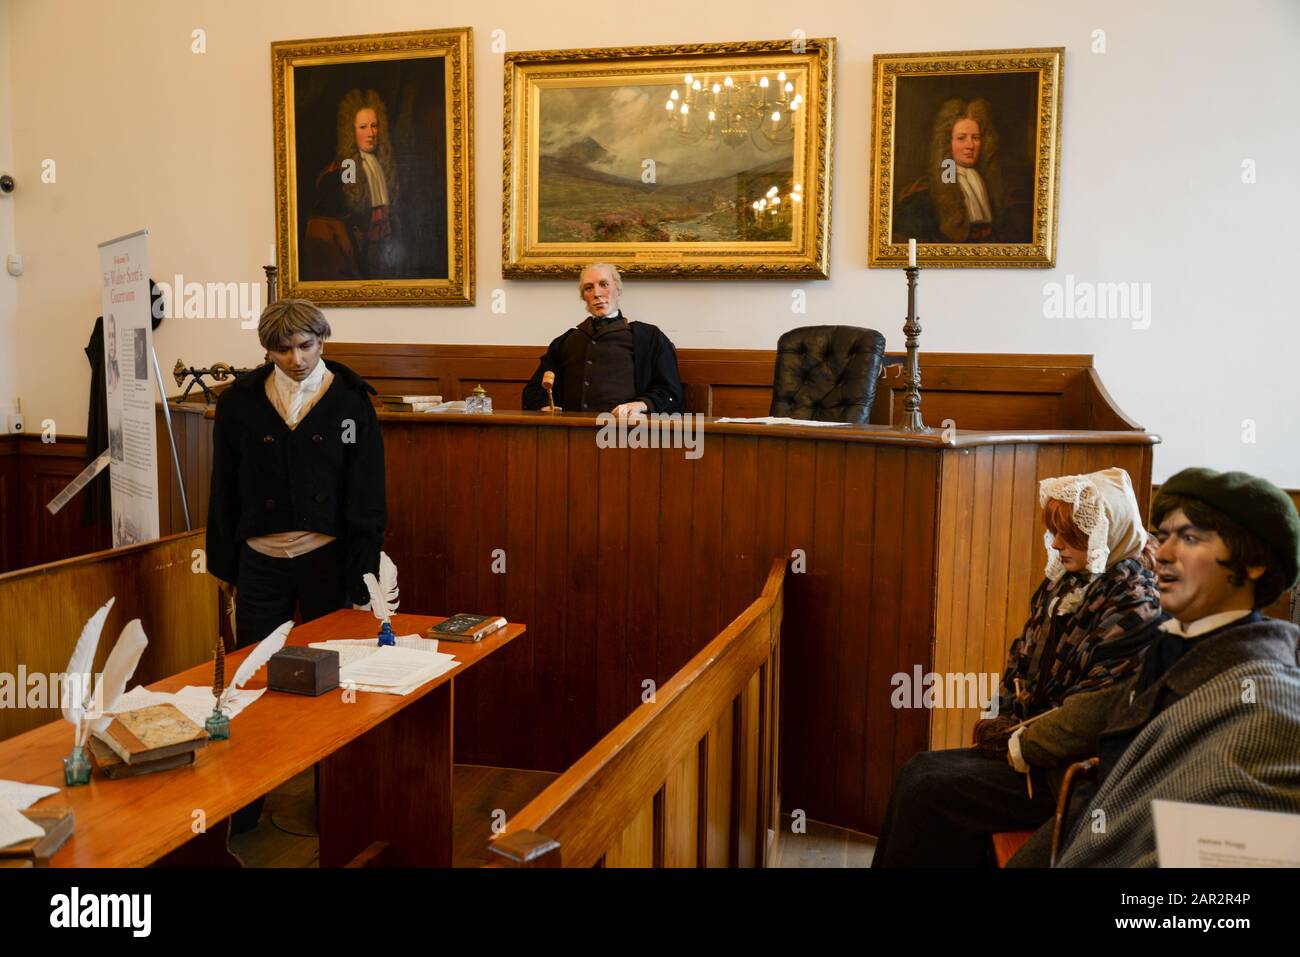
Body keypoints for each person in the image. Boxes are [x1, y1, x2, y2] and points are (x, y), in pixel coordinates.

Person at [872, 467, 1163, 867]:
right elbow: (1020, 661)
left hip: (1067, 774)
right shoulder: (1066, 581)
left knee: (929, 790)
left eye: (1071, 534)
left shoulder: (1134, 603)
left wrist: (1017, 742)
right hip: (1026, 747)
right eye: (1055, 532)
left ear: (1104, 534)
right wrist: (1000, 717)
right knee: (918, 771)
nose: (1057, 544)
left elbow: (1092, 715)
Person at [1015, 468, 1300, 867]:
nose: (1163, 553)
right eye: (1163, 536)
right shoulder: (1173, 645)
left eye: (1190, 538)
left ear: (1253, 564)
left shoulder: (1270, 701)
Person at [206, 298, 386, 650]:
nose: (296, 359)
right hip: (259, 557)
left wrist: (365, 569)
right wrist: (224, 563)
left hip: (327, 555)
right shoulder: (238, 402)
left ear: (322, 341)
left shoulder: (351, 400)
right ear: (268, 351)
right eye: (283, 350)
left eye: (305, 346)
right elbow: (224, 486)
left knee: (333, 664)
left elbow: (366, 489)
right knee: (254, 667)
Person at [521, 262, 683, 416]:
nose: (597, 293)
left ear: (618, 289)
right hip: (571, 436)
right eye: (588, 288)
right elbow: (533, 392)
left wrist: (640, 405)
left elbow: (670, 392)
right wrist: (544, 407)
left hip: (626, 434)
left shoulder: (649, 337)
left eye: (604, 284)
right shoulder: (565, 342)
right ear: (584, 296)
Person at [892, 97, 1030, 245]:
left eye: (975, 138)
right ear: (947, 142)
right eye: (961, 138)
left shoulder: (985, 179)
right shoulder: (946, 173)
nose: (970, 145)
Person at [302, 89, 403, 280]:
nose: (371, 133)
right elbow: (349, 200)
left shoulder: (380, 162)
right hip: (355, 243)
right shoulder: (348, 164)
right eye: (363, 127)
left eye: (374, 126)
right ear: (351, 130)